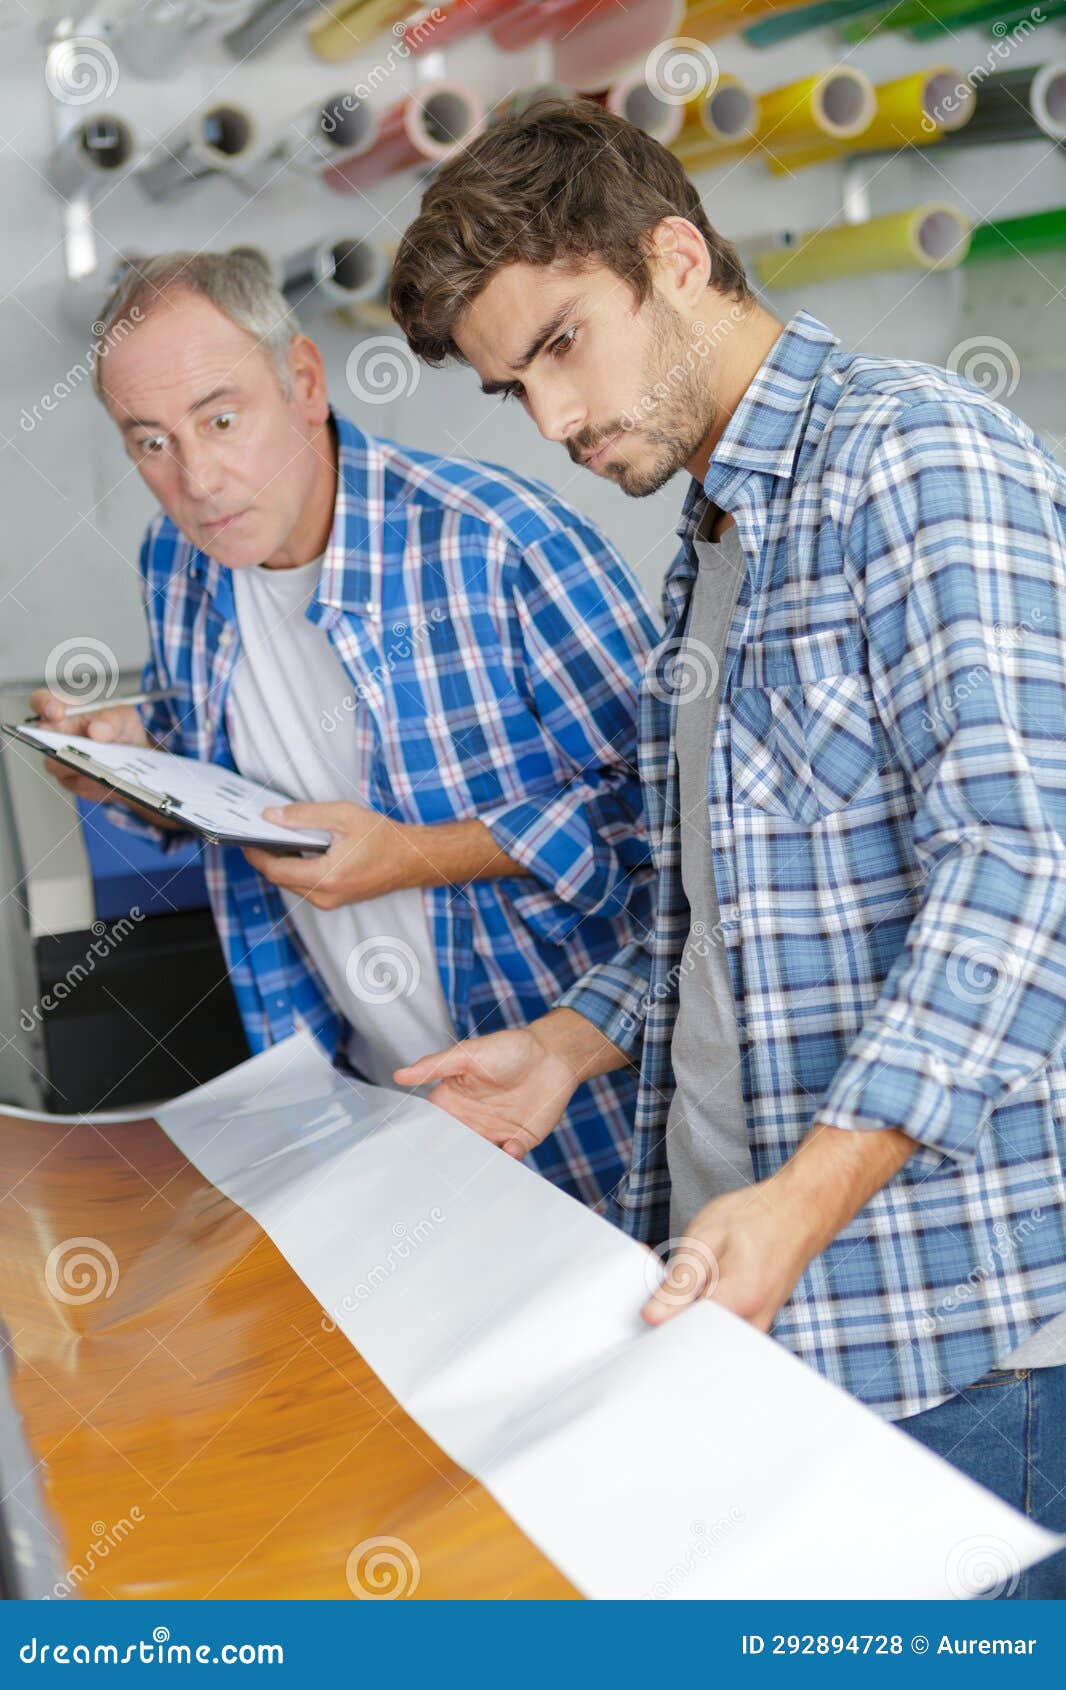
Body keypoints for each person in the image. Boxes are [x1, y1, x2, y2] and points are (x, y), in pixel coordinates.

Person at [388, 97, 1066, 1593]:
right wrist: (570, 1041)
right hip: (758, 1308)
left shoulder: (915, 459)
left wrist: (807, 1196)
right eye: (514, 390)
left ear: (676, 255)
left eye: (560, 344)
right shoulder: (709, 540)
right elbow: (717, 912)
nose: (555, 423)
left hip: (953, 1344)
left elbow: (1026, 870)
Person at [31, 248, 659, 1212]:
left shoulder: (496, 544)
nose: (196, 477)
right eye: (149, 442)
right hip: (376, 1114)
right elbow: (243, 768)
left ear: (307, 384)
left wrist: (414, 855)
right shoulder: (179, 565)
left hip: (593, 1126)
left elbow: (672, 824)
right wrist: (135, 759)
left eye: (222, 418)